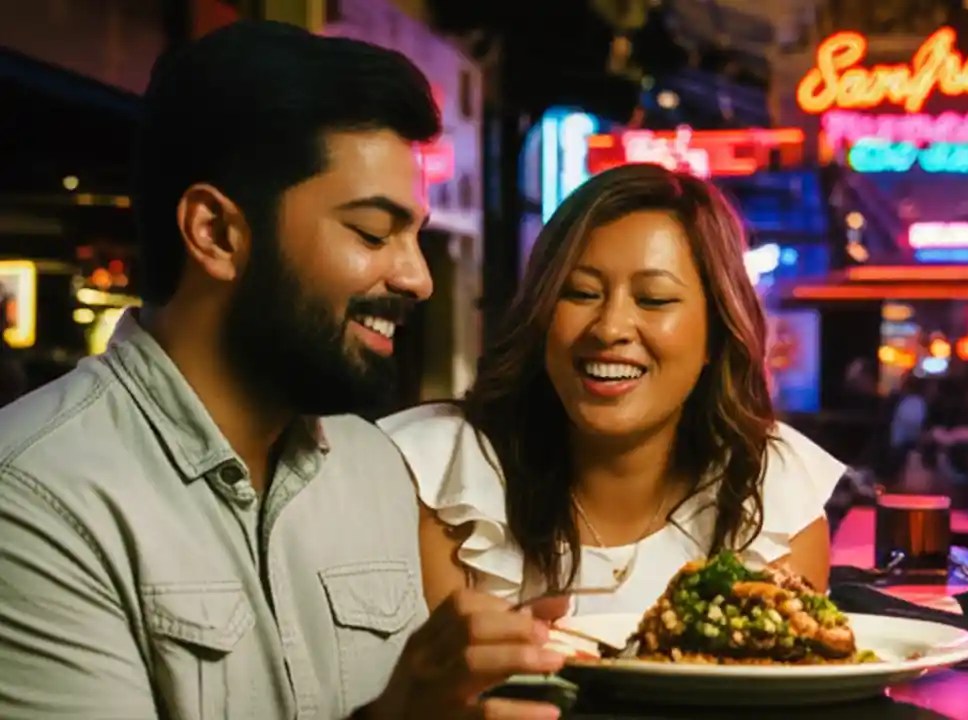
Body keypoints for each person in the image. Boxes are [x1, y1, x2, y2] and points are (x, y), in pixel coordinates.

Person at [0, 22, 564, 720]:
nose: (418, 278)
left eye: (416, 235)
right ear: (216, 233)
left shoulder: (374, 471)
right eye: (370, 232)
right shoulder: (33, 495)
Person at [381, 164, 846, 614]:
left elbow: (780, 682)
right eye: (581, 293)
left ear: (716, 335)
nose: (609, 328)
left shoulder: (771, 491)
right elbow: (429, 687)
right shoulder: (444, 473)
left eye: (654, 300)